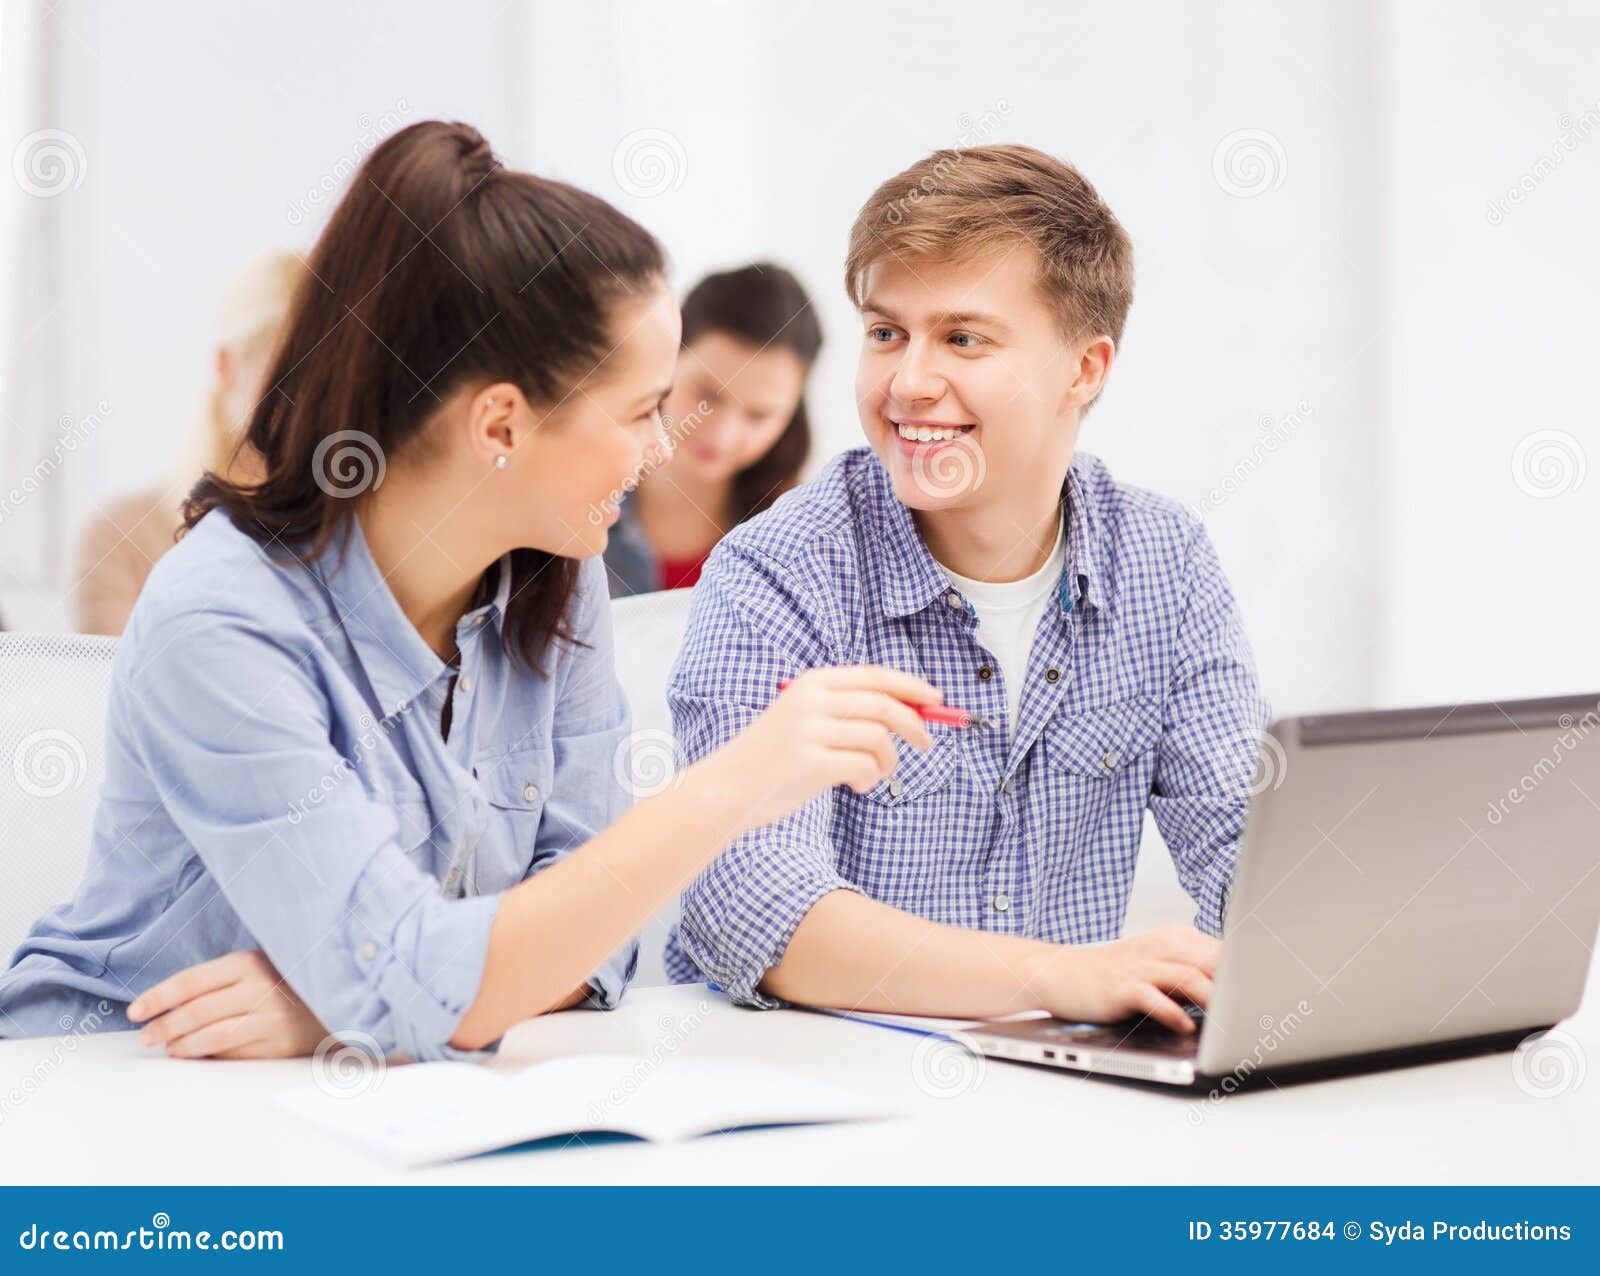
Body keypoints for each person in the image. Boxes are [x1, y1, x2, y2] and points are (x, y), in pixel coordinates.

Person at [0, 121, 938, 1060]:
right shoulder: (220, 620)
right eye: (642, 409)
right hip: (117, 1081)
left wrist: (360, 1000)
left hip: (372, 1089)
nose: (662, 447)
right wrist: (729, 789)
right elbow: (448, 972)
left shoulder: (557, 580)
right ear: (500, 423)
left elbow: (596, 941)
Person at [665, 145, 1272, 1034]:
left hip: (1058, 1095)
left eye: (962, 338)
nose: (908, 383)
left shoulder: (1164, 561)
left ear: (1085, 369)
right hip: (814, 1091)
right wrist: (1053, 976)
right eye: (885, 333)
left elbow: (1245, 852)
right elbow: (751, 908)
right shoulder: (779, 568)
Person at [74, 252, 302, 635]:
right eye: (289, 367)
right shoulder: (120, 540)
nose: (312, 393)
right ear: (227, 367)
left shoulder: (356, 538)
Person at [604, 263, 820, 596]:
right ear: (667, 360)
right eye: (707, 395)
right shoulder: (577, 503)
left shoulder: (801, 543)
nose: (723, 434)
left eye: (759, 415)